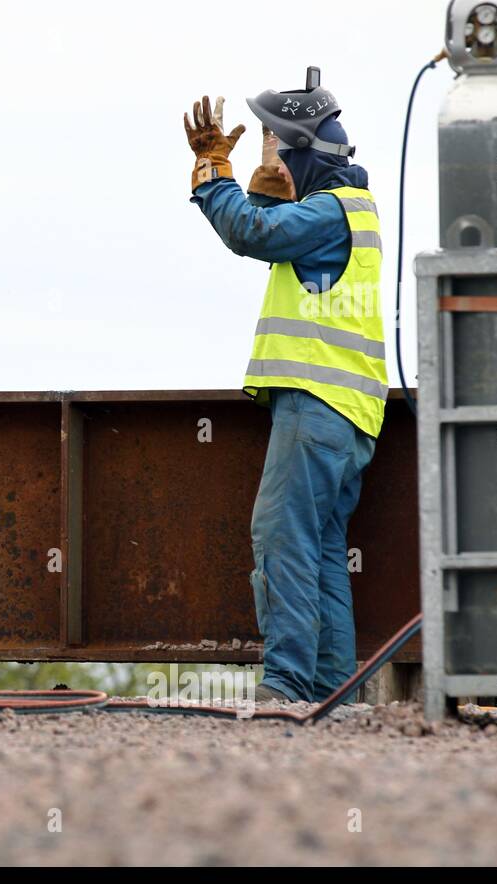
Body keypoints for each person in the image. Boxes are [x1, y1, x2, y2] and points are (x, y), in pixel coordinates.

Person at [183, 75, 386, 704]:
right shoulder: (349, 211)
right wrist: (265, 199)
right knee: (323, 551)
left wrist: (213, 175)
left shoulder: (329, 212)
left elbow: (254, 235)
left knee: (282, 536)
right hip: (351, 413)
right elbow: (286, 243)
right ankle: (334, 695)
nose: (273, 156)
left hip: (316, 406)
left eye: (279, 145)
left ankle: (287, 685)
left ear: (302, 152)